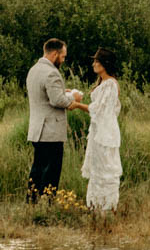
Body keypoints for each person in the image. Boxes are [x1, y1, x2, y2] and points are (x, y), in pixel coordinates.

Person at [26, 38, 81, 202]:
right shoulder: (51, 72)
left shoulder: (34, 70)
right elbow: (56, 100)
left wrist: (63, 91)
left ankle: (32, 200)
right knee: (52, 170)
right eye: (63, 57)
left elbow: (43, 93)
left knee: (37, 168)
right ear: (55, 54)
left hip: (37, 129)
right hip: (50, 130)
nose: (63, 60)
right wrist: (73, 99)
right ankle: (47, 203)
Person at [71, 47, 122, 213]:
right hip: (98, 131)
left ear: (104, 64)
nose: (93, 64)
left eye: (97, 61)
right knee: (97, 168)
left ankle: (107, 206)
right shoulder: (102, 83)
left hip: (105, 133)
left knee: (106, 168)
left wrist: (78, 105)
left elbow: (100, 109)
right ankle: (95, 206)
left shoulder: (110, 84)